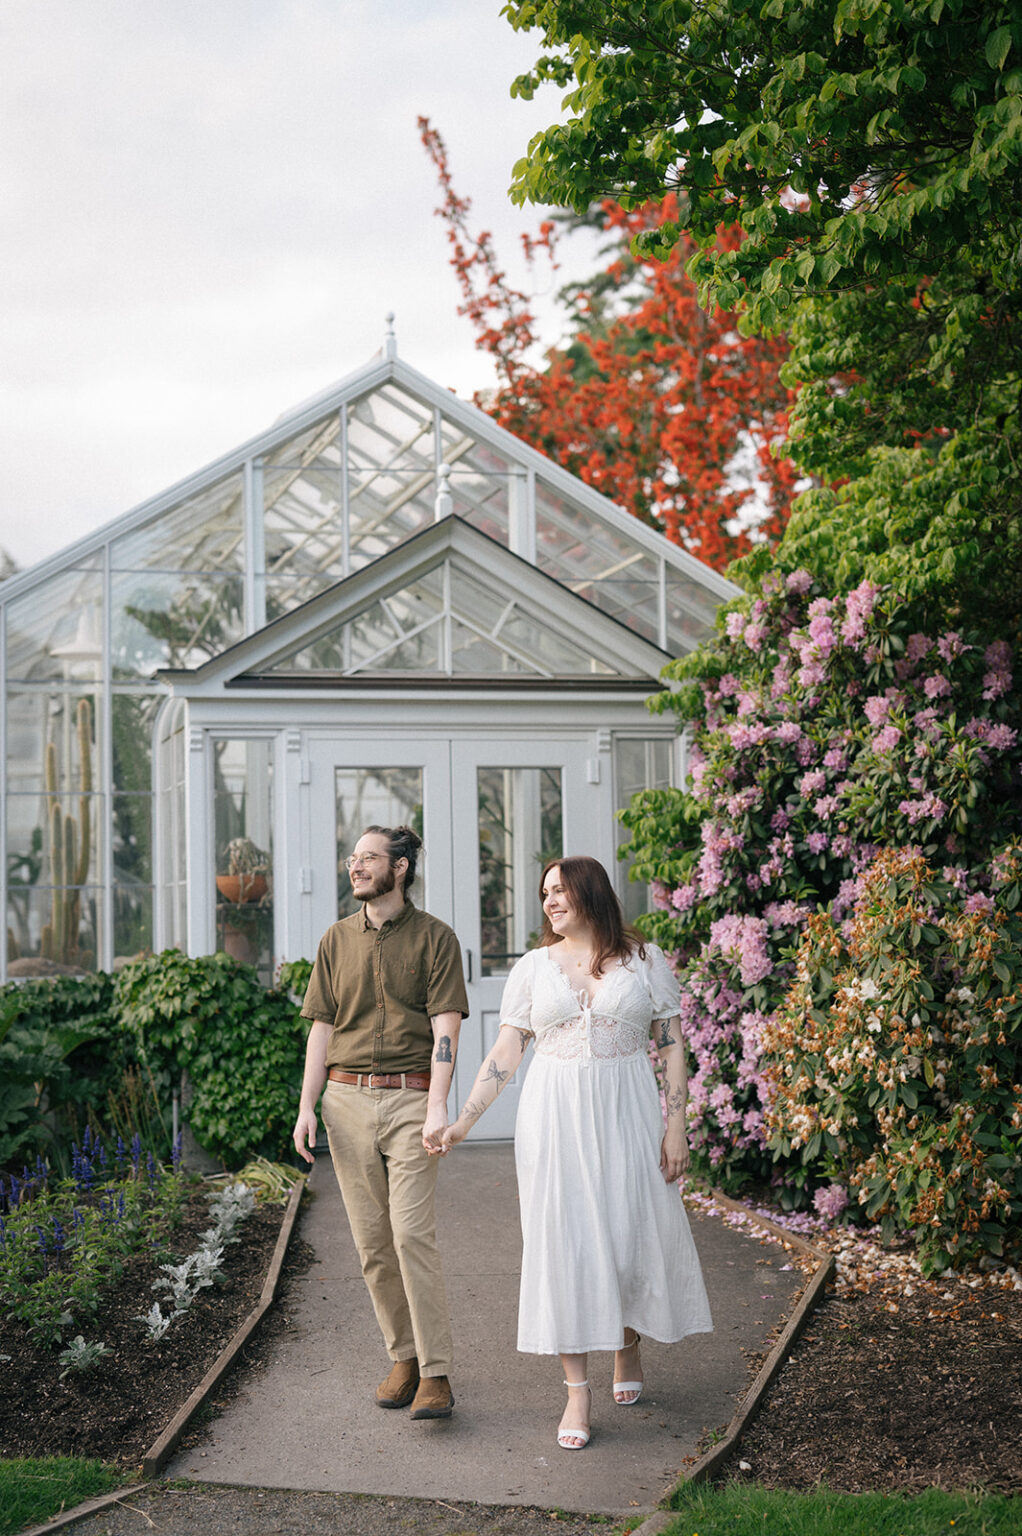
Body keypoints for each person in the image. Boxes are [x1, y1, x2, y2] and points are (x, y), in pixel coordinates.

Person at [439, 855, 712, 1450]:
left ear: (590, 892)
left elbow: (669, 1049)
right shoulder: (535, 967)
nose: (550, 902)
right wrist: (463, 1122)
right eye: (544, 894)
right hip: (554, 1119)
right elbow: (506, 1053)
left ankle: (627, 1343)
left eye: (560, 890)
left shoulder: (644, 961)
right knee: (563, 1244)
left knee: (628, 1234)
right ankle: (576, 1393)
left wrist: (677, 1128)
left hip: (629, 1114)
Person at [293, 824, 469, 1421]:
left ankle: (438, 1374)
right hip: (344, 1102)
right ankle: (406, 1357)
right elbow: (321, 1027)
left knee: (411, 1235)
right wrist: (305, 1106)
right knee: (371, 1243)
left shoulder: (435, 939)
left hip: (411, 1100)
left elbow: (447, 1027)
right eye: (352, 858)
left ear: (401, 867)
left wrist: (439, 1105)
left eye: (368, 858)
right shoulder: (335, 940)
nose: (355, 867)